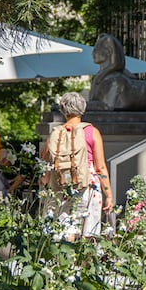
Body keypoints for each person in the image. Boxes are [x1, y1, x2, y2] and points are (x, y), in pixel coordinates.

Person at [44, 91, 110, 239]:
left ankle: (66, 261)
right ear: (83, 108)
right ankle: (83, 261)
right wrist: (109, 194)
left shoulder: (55, 134)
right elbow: (100, 167)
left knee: (67, 228)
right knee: (89, 232)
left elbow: (46, 166)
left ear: (63, 109)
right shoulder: (92, 132)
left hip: (62, 183)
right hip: (87, 183)